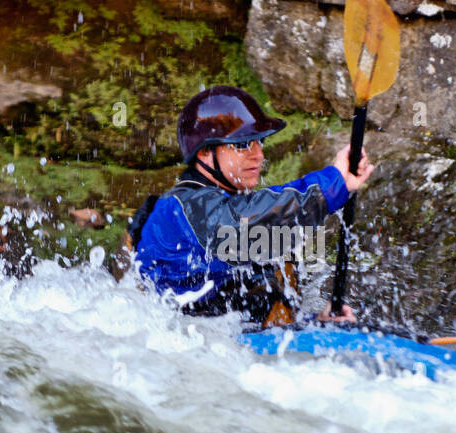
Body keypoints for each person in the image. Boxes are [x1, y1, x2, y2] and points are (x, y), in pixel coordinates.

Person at [128, 85, 374, 326]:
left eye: (259, 142)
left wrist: (312, 323)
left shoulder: (217, 205)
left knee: (280, 259)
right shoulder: (181, 210)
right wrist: (334, 183)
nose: (259, 155)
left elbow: (244, 315)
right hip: (185, 351)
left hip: (226, 350)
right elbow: (248, 223)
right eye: (243, 144)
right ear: (204, 153)